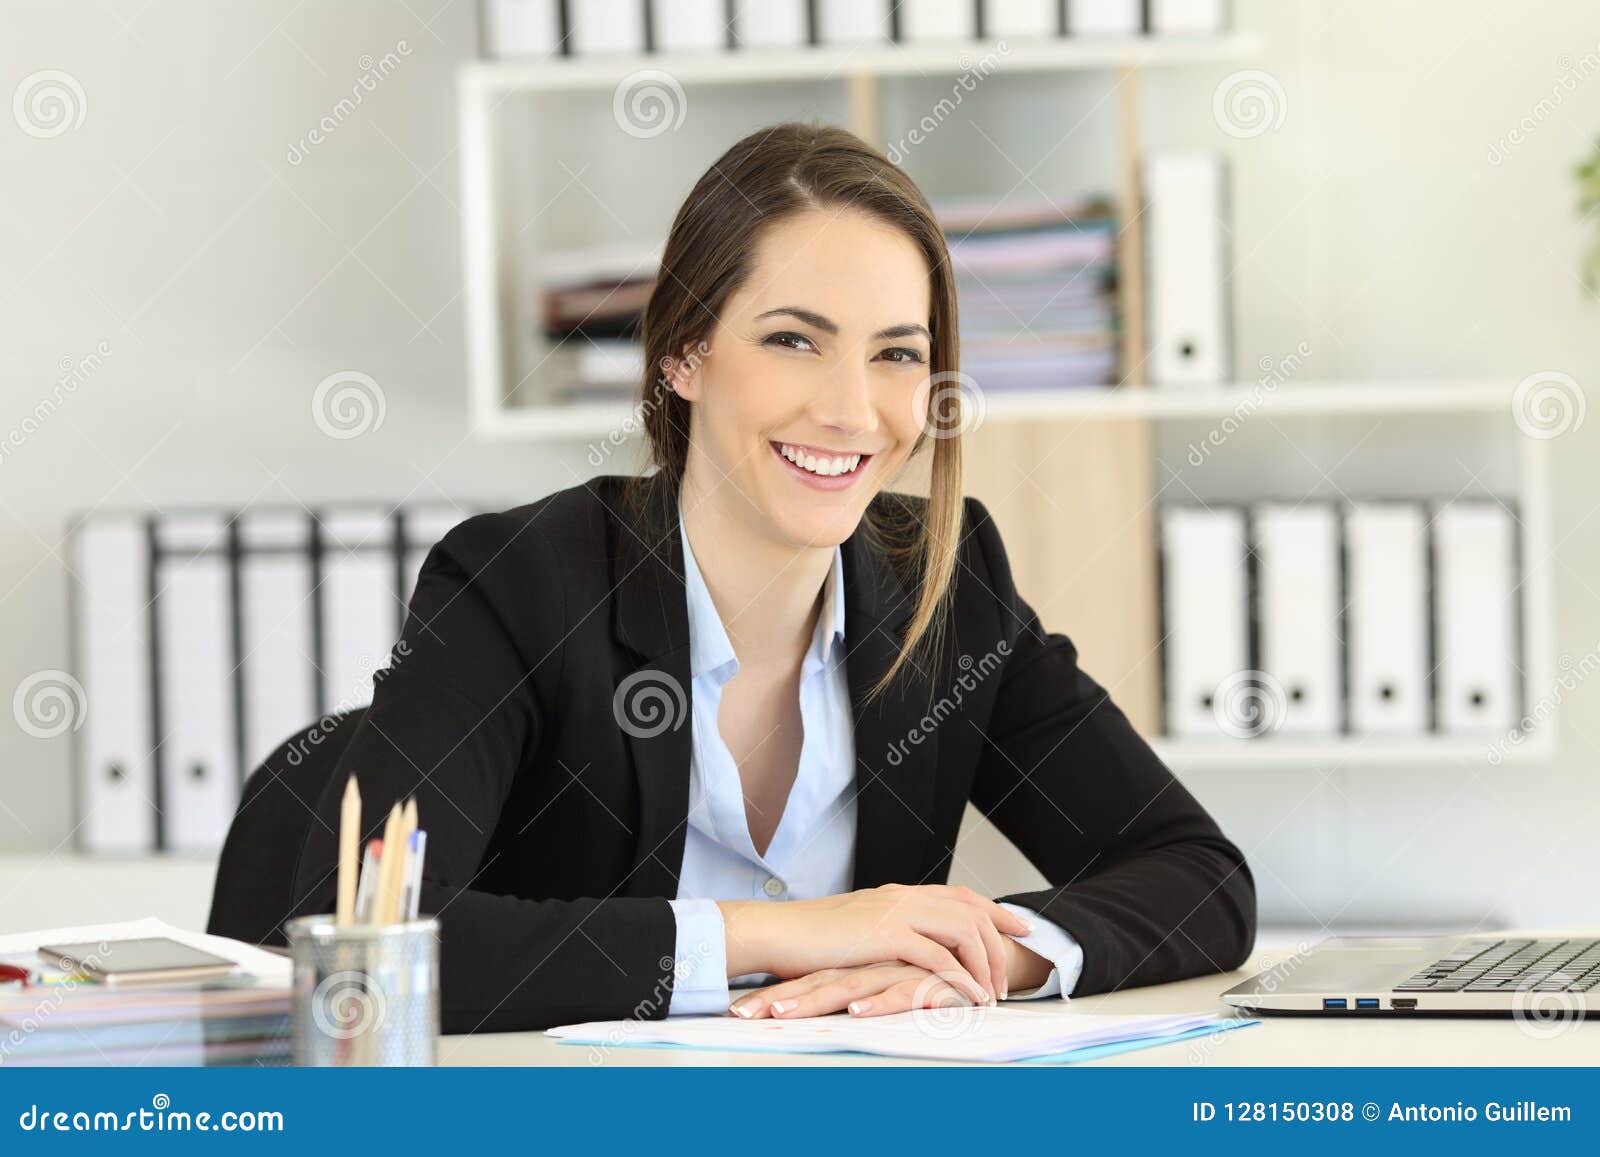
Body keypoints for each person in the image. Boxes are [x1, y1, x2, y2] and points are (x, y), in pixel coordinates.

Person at [289, 122, 1255, 1034]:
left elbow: (1198, 873)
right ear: (684, 354)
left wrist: (986, 957)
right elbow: (362, 943)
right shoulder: (520, 582)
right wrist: (787, 933)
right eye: (794, 339)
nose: (851, 410)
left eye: (896, 354)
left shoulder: (947, 583)